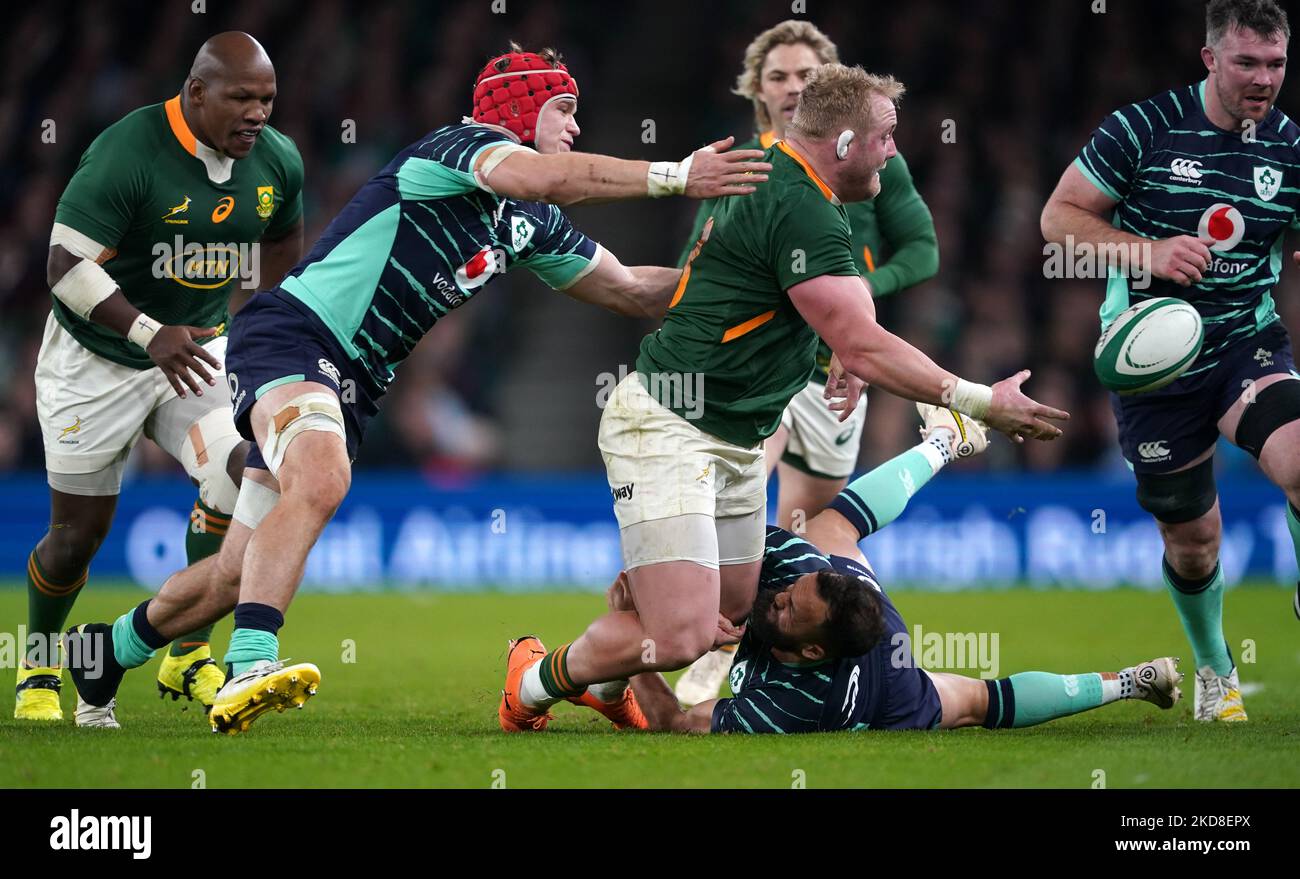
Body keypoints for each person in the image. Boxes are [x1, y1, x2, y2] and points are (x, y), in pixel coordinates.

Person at [65, 43, 771, 734]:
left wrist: (746, 290)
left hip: (355, 380)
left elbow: (629, 288)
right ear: (520, 113)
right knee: (323, 475)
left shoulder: (525, 225)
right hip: (295, 336)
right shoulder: (461, 149)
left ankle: (106, 651)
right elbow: (544, 178)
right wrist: (676, 175)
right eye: (563, 110)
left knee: (229, 574)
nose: (575, 128)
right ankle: (252, 661)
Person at [499, 64, 1068, 733]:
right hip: (668, 423)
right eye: (886, 137)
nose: (894, 150)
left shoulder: (777, 177)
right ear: (848, 144)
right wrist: (978, 401)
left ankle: (611, 668)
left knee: (735, 610)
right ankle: (531, 681)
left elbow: (766, 299)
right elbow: (859, 338)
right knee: (683, 635)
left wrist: (821, 351)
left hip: (736, 434)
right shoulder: (800, 204)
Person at [18, 32, 304, 725]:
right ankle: (39, 659)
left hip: (200, 353)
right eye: (242, 97)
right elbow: (64, 265)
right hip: (98, 358)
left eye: (266, 99)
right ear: (197, 93)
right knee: (76, 536)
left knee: (244, 474)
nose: (257, 113)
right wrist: (149, 333)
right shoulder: (130, 150)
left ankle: (185, 651)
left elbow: (282, 247)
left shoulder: (277, 161)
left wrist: (250, 328)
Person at [1041, 0, 1300, 721]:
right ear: (1210, 58)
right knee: (1193, 540)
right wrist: (1147, 251)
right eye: (1247, 62)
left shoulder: (1290, 146)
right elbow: (1058, 218)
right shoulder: (1141, 129)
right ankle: (1216, 669)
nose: (1264, 79)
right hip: (1154, 356)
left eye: (1276, 63)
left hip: (1246, 341)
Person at [622, 406, 1182, 734]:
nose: (782, 595)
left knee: (978, 702)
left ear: (813, 651)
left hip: (884, 694)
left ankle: (1132, 683)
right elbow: (736, 548)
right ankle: (947, 439)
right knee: (831, 529)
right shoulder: (810, 575)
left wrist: (634, 657)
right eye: (793, 590)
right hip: (871, 625)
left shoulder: (792, 705)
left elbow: (677, 723)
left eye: (791, 606)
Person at [674, 19, 940, 708]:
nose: (794, 87)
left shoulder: (877, 161)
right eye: (779, 76)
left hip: (839, 369)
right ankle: (706, 630)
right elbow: (696, 272)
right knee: (736, 479)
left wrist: (849, 307)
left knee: (808, 536)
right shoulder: (743, 168)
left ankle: (788, 655)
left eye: (807, 76)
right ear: (756, 92)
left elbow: (923, 250)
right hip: (763, 366)